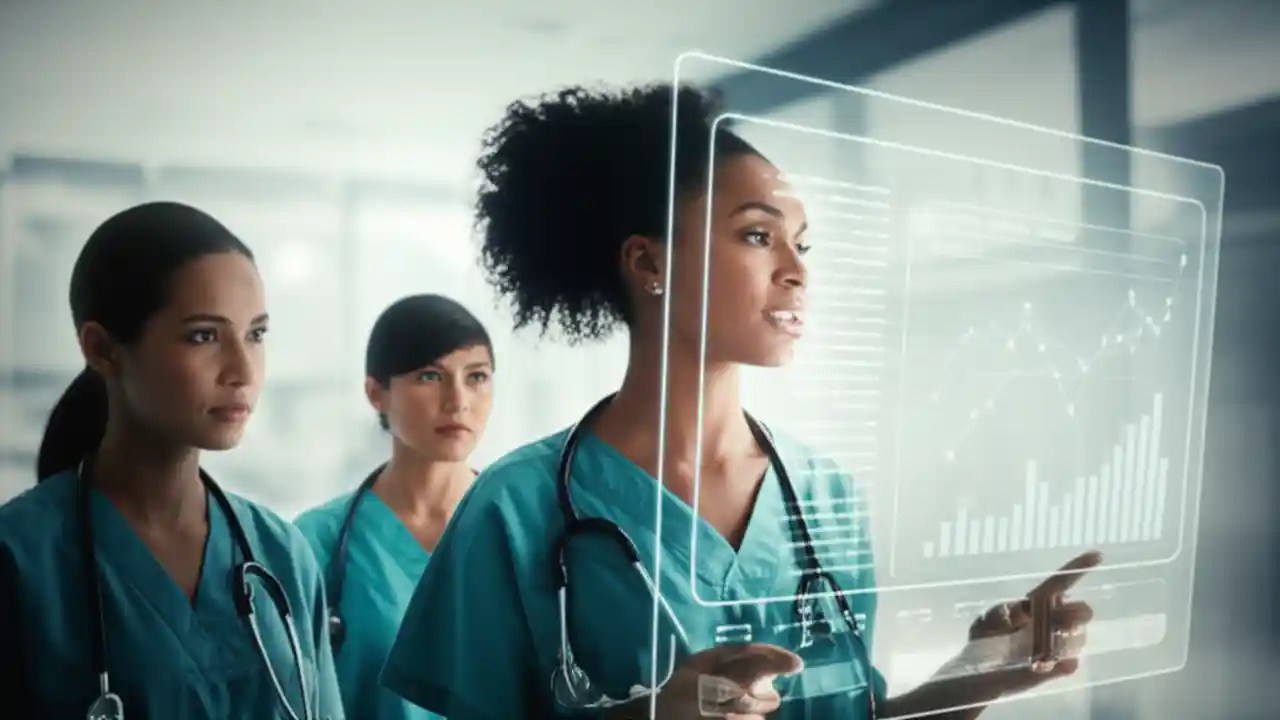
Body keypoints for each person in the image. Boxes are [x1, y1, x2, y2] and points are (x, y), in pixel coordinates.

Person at [381, 85, 1098, 719]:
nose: (795, 273)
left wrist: (980, 673)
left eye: (803, 246)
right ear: (649, 263)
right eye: (758, 236)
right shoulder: (517, 510)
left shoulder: (825, 498)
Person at [0, 202, 344, 719]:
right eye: (204, 335)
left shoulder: (282, 556)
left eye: (256, 334)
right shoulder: (19, 561)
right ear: (103, 349)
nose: (242, 371)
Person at [295, 294, 496, 720]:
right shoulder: (315, 544)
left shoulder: (523, 531)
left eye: (476, 376)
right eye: (429, 376)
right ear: (376, 394)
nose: (457, 400)